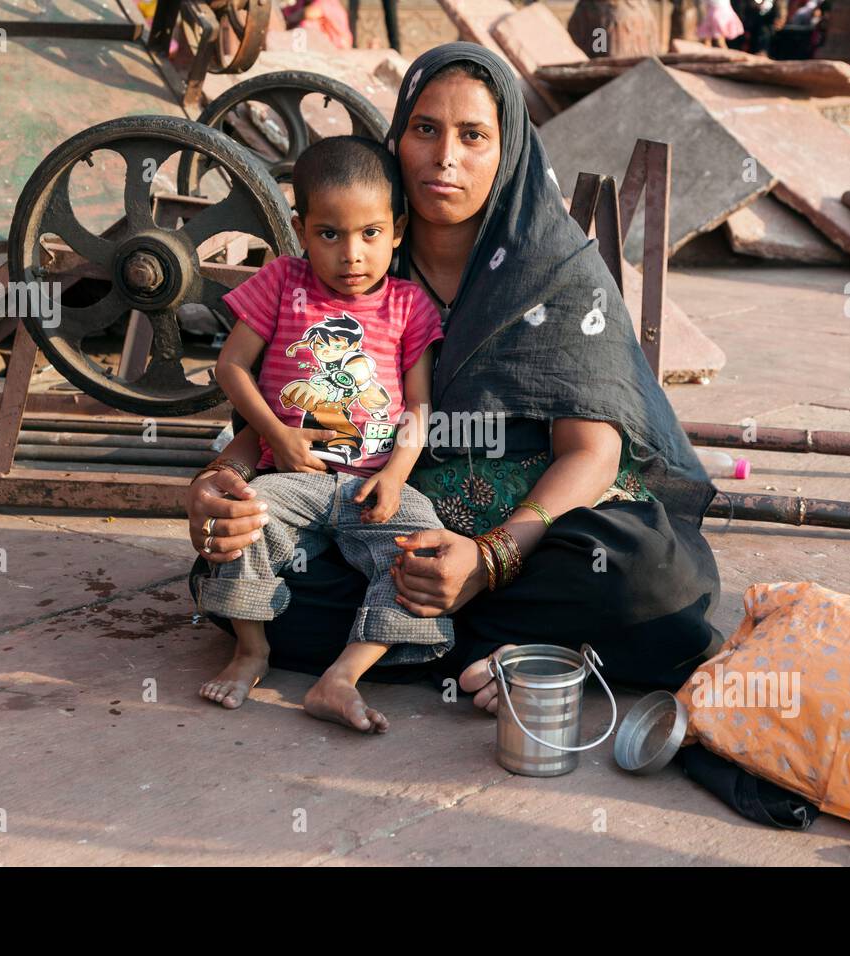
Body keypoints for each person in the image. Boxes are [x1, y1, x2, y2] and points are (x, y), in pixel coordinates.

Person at [187, 42, 723, 722]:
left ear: (510, 151)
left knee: (651, 582)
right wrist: (215, 486)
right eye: (425, 129)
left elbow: (592, 452)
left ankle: (446, 639)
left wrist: (486, 560)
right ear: (398, 138)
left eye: (474, 136)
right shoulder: (353, 259)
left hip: (532, 532)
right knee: (231, 565)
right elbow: (289, 431)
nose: (445, 158)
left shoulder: (555, 270)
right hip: (384, 532)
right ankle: (517, 647)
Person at [196, 135, 450, 733]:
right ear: (300, 229)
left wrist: (395, 475)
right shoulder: (283, 282)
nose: (352, 254)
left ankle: (342, 677)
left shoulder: (409, 306)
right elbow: (230, 367)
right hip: (295, 478)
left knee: (426, 552)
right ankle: (250, 650)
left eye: (370, 233)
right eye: (329, 234)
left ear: (397, 231)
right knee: (246, 517)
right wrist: (276, 438)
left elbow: (419, 406)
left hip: (371, 490)